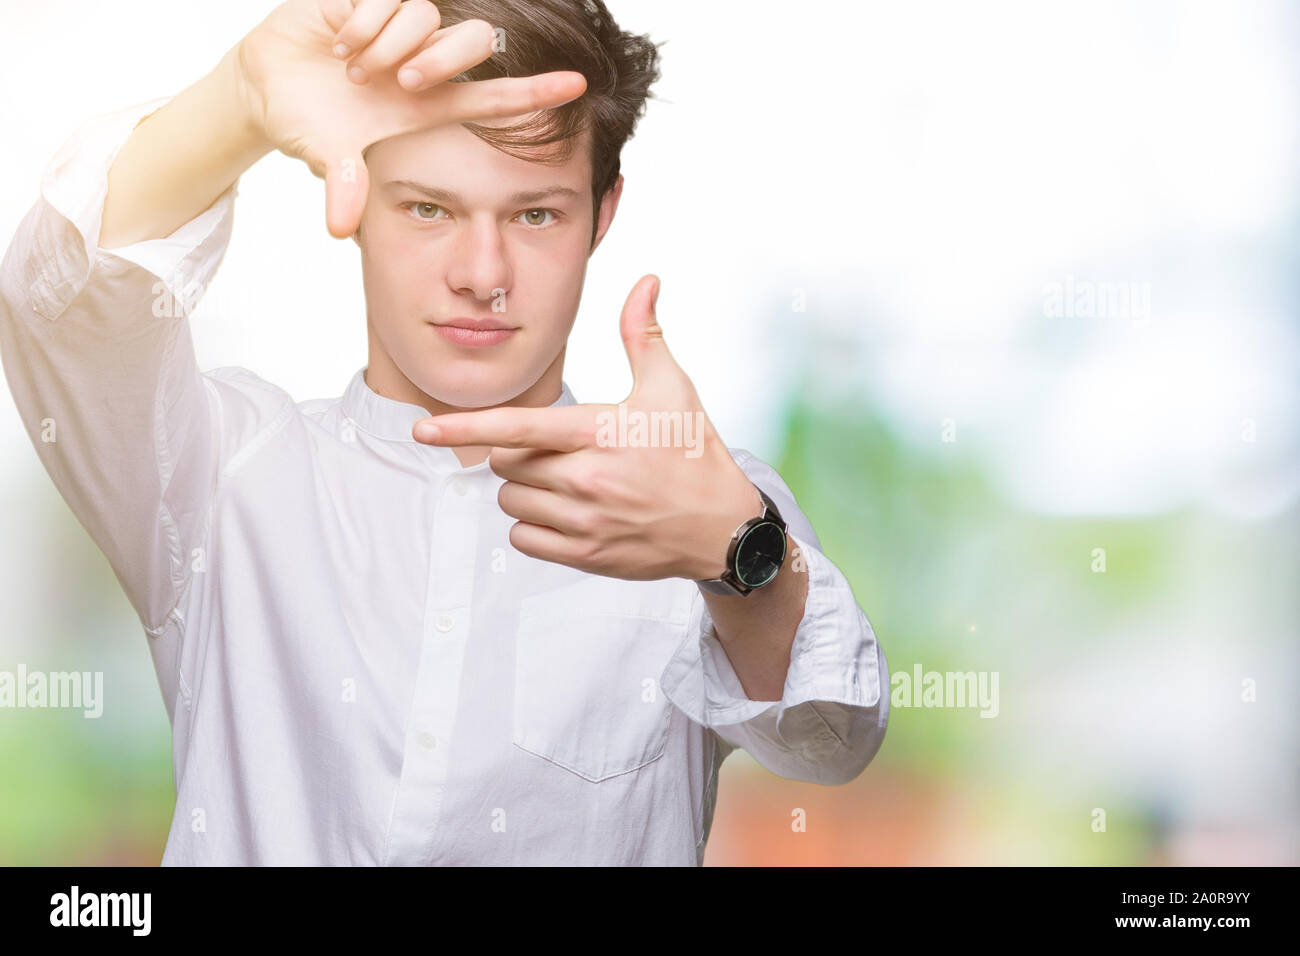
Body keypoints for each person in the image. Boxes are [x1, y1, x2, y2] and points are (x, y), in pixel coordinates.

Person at [0, 0, 889, 865]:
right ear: (354, 192)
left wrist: (739, 556)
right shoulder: (223, 478)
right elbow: (60, 303)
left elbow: (830, 739)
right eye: (428, 208)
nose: (481, 274)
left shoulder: (692, 495)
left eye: (534, 214)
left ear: (602, 213)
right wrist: (239, 97)